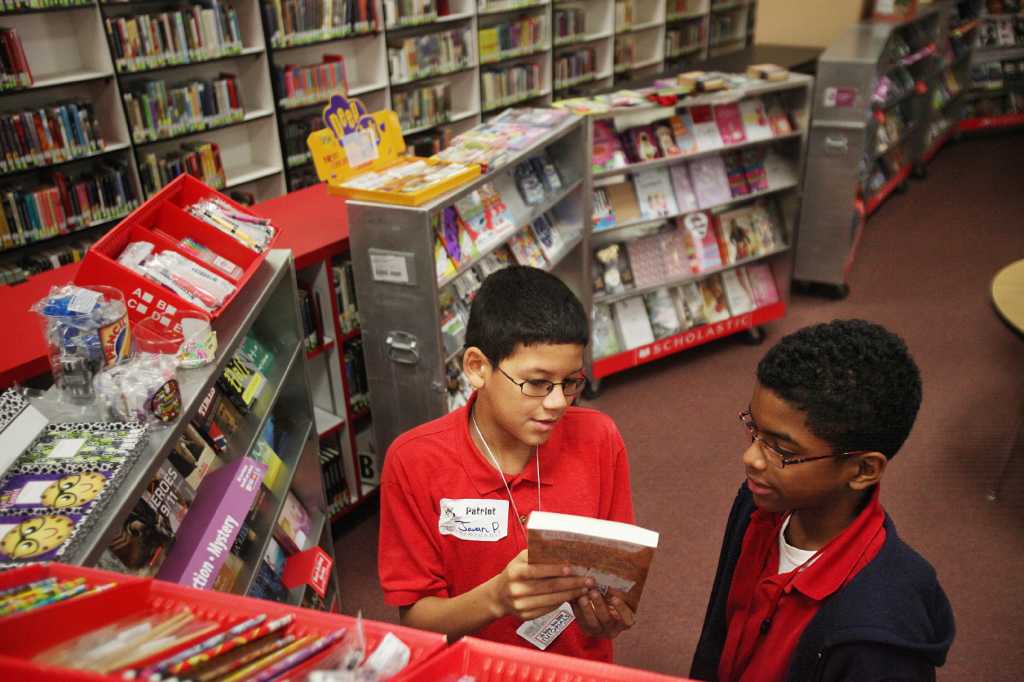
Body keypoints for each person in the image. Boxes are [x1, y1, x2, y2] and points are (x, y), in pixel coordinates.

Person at [378, 266, 637, 662]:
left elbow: (620, 579)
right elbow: (415, 622)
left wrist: (610, 614)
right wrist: (497, 598)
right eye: (536, 384)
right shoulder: (415, 461)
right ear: (477, 368)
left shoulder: (600, 439)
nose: (557, 403)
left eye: (571, 382)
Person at [690, 319, 955, 682]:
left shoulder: (878, 637)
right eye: (753, 429)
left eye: (782, 449)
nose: (750, 458)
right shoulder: (758, 506)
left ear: (863, 470)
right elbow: (720, 634)